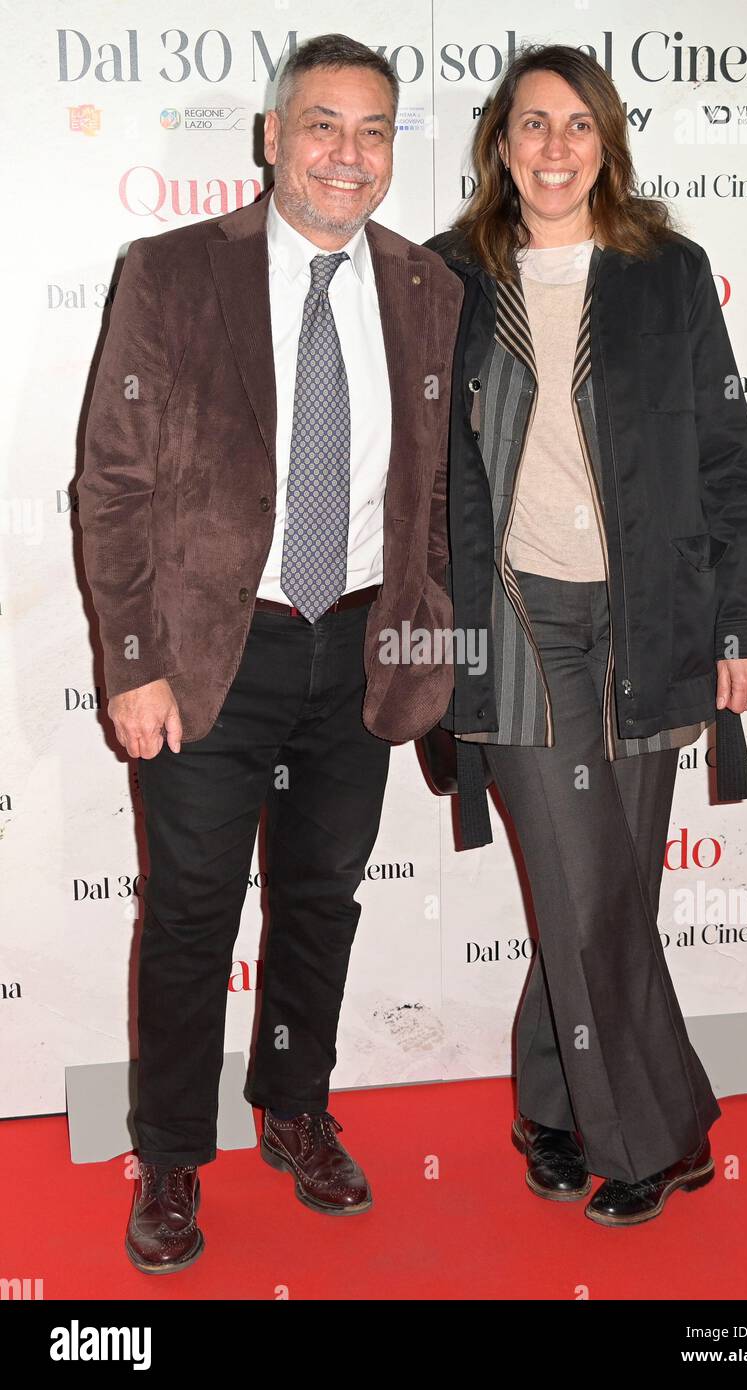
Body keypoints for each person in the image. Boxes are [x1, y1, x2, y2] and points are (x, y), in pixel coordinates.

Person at [78, 33, 462, 1273]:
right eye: (322, 126)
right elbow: (113, 484)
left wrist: (427, 646)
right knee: (191, 914)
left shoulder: (425, 288)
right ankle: (173, 1158)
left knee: (319, 903)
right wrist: (131, 660)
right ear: (271, 136)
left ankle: (294, 1110)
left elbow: (433, 500)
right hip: (207, 658)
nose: (347, 155)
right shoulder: (175, 272)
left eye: (373, 132)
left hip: (355, 650)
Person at [426, 44, 747, 1227]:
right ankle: (655, 1132)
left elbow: (723, 456)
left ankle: (550, 1099)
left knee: (610, 888)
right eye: (531, 124)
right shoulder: (447, 277)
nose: (552, 147)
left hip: (647, 617)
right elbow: (416, 481)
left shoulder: (664, 272)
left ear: (608, 144)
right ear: (498, 142)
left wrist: (745, 616)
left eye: (576, 126)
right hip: (517, 618)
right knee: (586, 885)